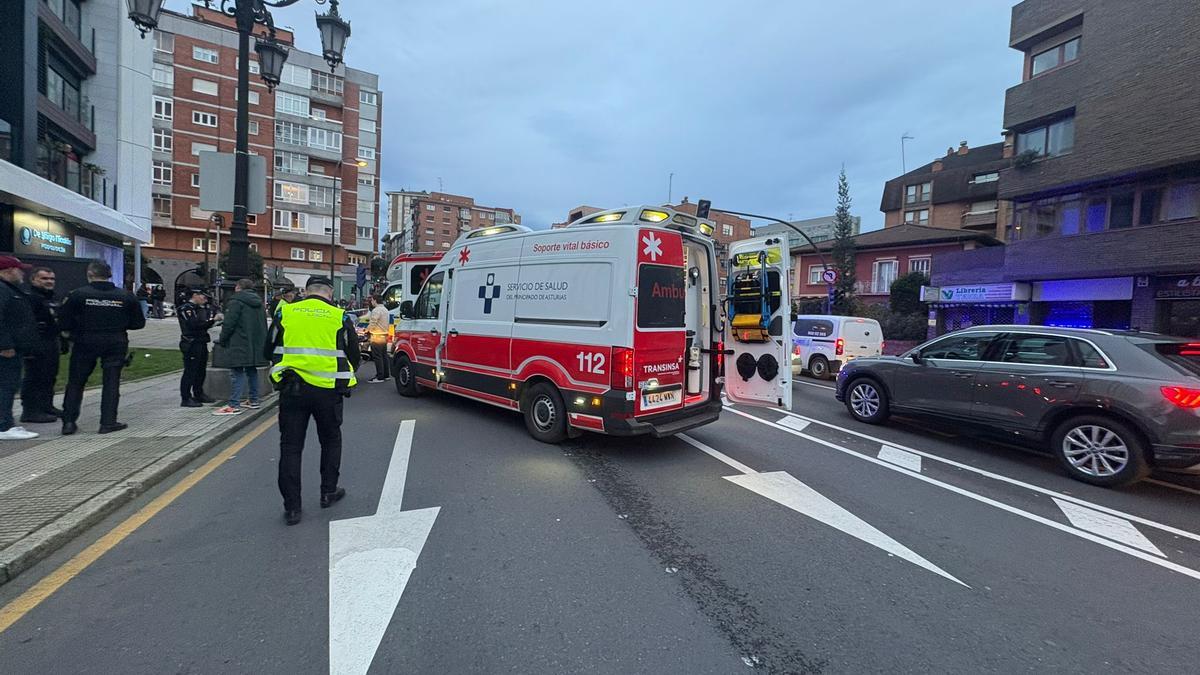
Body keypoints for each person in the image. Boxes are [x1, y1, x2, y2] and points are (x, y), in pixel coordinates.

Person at [265, 275, 360, 525]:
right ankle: (328, 492)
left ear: (306, 292)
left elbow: (268, 347)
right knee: (330, 441)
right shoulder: (339, 316)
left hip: (292, 389)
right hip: (328, 391)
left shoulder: (285, 313)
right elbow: (354, 353)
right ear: (329, 292)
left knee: (291, 447)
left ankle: (293, 508)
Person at [58, 260, 145, 435]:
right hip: (115, 342)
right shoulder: (125, 296)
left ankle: (68, 422)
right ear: (110, 275)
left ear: (90, 274)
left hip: (85, 341)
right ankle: (108, 422)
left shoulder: (78, 295)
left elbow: (63, 321)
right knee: (111, 383)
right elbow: (138, 323)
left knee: (76, 382)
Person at [213, 279, 267, 415]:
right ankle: (254, 400)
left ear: (238, 287)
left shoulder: (236, 301)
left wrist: (223, 339)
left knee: (237, 372)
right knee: (251, 370)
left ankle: (233, 404)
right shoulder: (259, 302)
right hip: (255, 343)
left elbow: (229, 323)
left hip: (239, 342)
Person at [0, 256, 39, 440]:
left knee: (9, 384)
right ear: (8, 271)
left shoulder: (10, 289)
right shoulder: (3, 290)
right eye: (19, 269)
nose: (22, 273)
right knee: (6, 385)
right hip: (6, 349)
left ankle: (6, 421)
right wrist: (5, 344)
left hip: (14, 346)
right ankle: (3, 425)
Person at [21, 266, 62, 424]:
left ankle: (46, 406)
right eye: (44, 279)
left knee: (49, 375)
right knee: (34, 376)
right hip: (36, 342)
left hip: (51, 341)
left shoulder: (52, 298)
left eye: (51, 279)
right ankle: (30, 411)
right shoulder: (31, 298)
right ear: (33, 280)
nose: (49, 282)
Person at [178, 288, 217, 407]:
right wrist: (212, 321)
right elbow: (193, 325)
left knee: (201, 370)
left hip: (201, 341)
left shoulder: (201, 309)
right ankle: (186, 397)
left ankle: (198, 393)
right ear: (195, 295)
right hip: (191, 342)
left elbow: (203, 323)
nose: (204, 299)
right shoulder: (186, 309)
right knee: (190, 371)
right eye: (202, 296)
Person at [364, 294, 390, 383]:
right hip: (384, 335)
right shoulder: (385, 310)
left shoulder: (376, 310)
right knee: (384, 356)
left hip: (377, 336)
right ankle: (386, 375)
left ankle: (379, 377)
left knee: (377, 357)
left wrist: (366, 330)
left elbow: (373, 323)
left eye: (371, 300)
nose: (371, 302)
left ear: (375, 300)